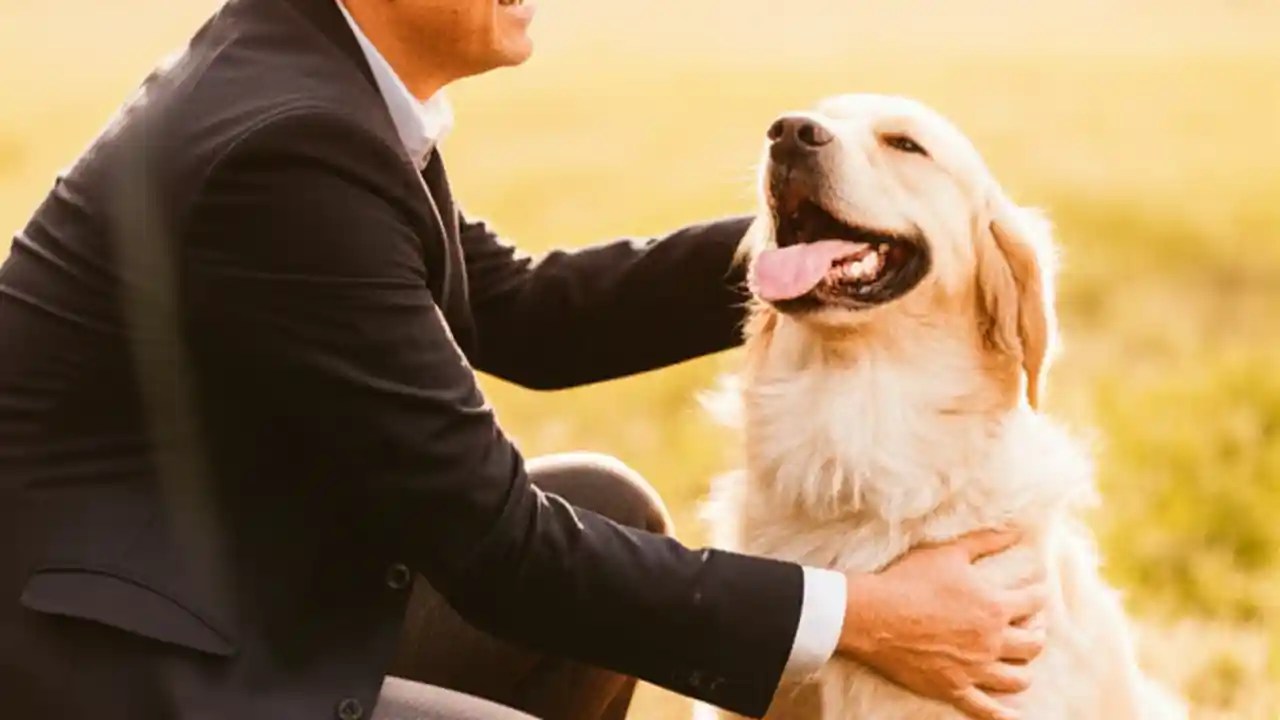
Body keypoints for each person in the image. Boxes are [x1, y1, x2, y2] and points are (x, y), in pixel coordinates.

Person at [0, 1, 1047, 718]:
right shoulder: (288, 145)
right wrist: (866, 615)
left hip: (231, 593)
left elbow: (523, 309)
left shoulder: (307, 76)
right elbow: (495, 546)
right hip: (125, 674)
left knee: (608, 502)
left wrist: (832, 242)